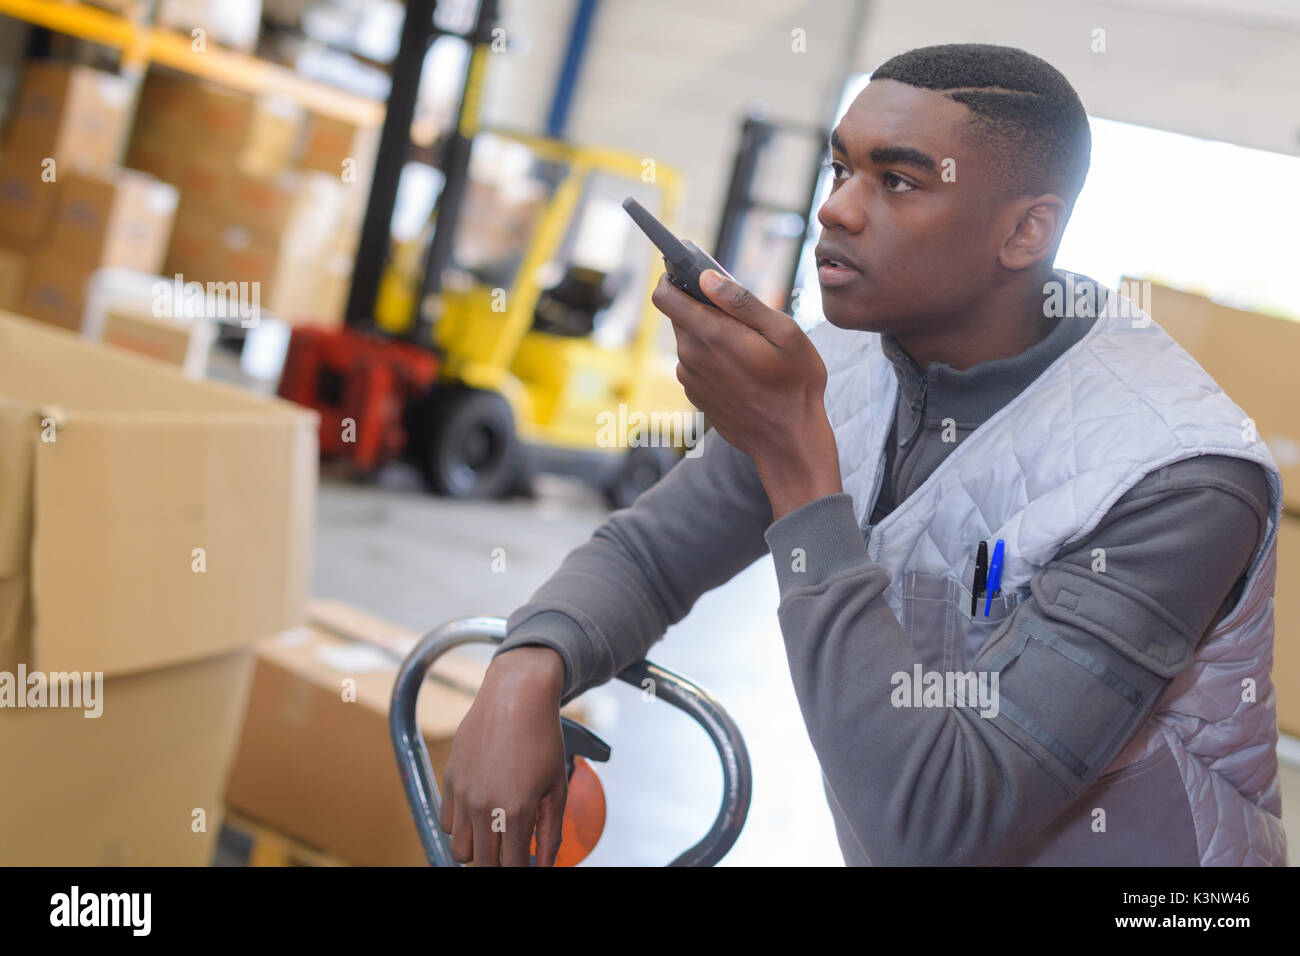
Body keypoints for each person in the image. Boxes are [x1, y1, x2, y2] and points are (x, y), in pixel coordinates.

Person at [438, 43, 1287, 866]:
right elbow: (652, 554)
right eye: (841, 169)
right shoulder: (842, 364)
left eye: (898, 180)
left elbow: (937, 827)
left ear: (1026, 232)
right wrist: (528, 667)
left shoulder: (1178, 476)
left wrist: (796, 463)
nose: (836, 208)